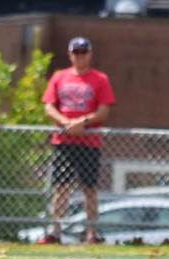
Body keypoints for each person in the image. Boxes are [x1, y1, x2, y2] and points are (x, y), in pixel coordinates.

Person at [38, 36, 116, 245]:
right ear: (70, 54)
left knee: (89, 188)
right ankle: (55, 231)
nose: (80, 56)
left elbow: (104, 110)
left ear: (90, 54)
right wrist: (66, 123)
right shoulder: (59, 77)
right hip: (63, 141)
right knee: (61, 187)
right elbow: (49, 106)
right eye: (76, 52)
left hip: (89, 142)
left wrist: (82, 122)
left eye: (84, 52)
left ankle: (92, 233)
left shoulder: (100, 79)